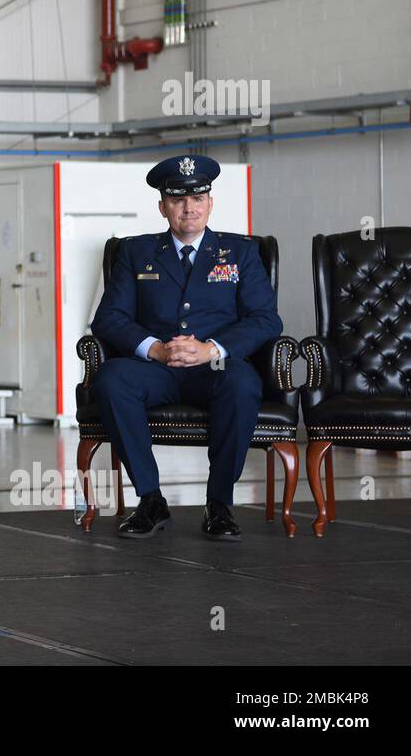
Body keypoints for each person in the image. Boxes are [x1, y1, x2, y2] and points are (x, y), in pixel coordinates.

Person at [90, 155, 280, 541]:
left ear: (210, 203)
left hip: (215, 368)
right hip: (156, 368)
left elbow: (266, 319)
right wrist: (155, 349)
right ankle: (150, 500)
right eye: (177, 199)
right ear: (162, 206)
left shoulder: (241, 253)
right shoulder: (136, 252)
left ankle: (220, 504)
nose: (188, 207)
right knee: (111, 379)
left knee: (242, 383)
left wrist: (213, 349)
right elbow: (109, 318)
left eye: (197, 198)